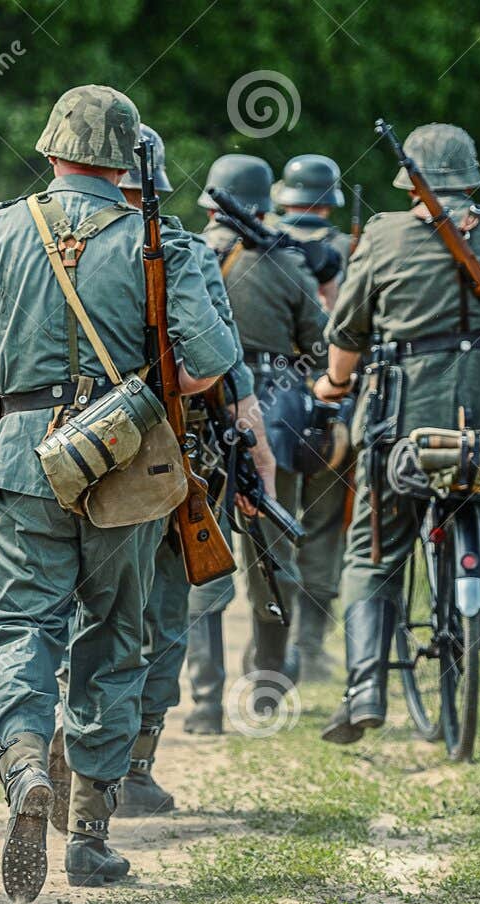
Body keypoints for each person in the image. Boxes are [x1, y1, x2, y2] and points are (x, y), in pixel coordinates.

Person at [0, 87, 238, 904]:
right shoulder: (155, 240)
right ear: (128, 157)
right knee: (114, 632)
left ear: (53, 145)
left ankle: (27, 762)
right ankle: (90, 831)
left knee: (18, 626)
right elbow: (207, 368)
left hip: (22, 459)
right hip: (126, 465)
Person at [318, 123, 480, 743]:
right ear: (471, 178)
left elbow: (348, 332)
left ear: (410, 183)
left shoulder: (387, 236)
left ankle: (365, 686)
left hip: (400, 424)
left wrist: (333, 387)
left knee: (372, 552)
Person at [108, 126, 272, 816]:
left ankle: (77, 745)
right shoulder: (188, 250)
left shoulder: (41, 239)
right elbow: (223, 363)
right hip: (172, 460)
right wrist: (256, 451)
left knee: (84, 608)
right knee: (163, 619)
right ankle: (136, 764)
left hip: (75, 457)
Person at [183, 154, 326, 734]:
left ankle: (205, 704)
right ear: (264, 200)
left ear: (212, 203)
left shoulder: (186, 256)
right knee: (273, 557)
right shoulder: (287, 261)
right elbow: (317, 343)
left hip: (198, 417)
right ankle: (270, 681)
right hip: (274, 415)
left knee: (202, 561)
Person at [271, 154, 357, 684]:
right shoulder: (349, 249)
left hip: (272, 409)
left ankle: (275, 654)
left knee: (274, 527)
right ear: (328, 201)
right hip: (336, 410)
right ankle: (310, 645)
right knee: (325, 528)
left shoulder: (257, 245)